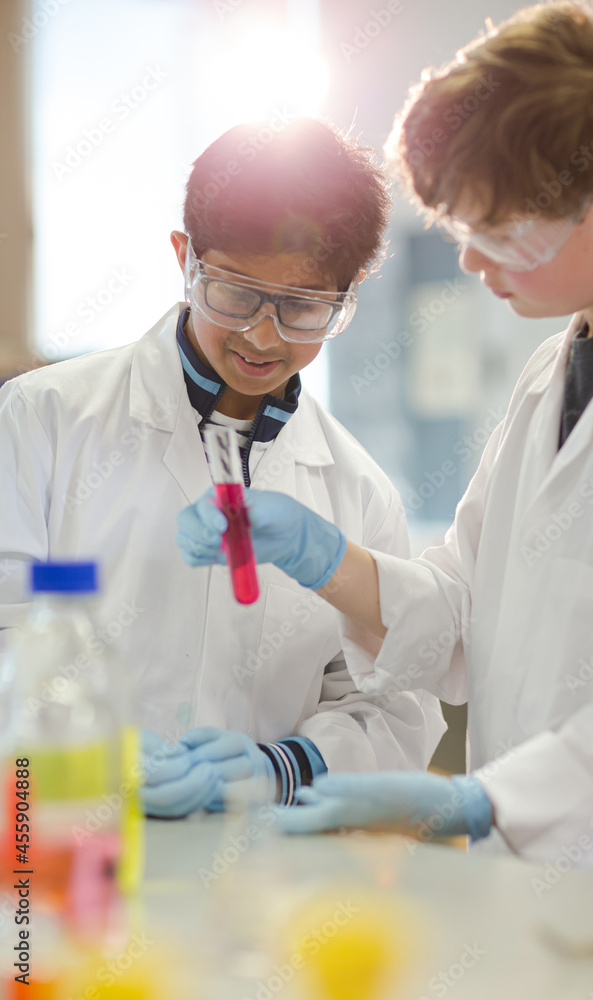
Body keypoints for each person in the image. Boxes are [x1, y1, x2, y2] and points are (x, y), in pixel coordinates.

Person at [177, 1, 593, 875]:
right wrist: (325, 558)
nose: (473, 265)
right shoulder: (551, 372)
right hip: (536, 889)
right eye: (460, 232)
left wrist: (482, 801)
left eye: (501, 234)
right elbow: (461, 615)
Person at [0, 119, 445, 816]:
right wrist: (85, 743)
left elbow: (394, 709)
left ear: (345, 294)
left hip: (258, 865)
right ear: (184, 258)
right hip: (59, 837)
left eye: (301, 306)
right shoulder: (43, 420)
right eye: (235, 293)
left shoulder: (357, 490)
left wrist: (279, 770)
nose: (261, 335)